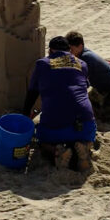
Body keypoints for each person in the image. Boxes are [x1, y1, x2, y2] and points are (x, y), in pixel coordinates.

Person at [22, 36, 97, 172]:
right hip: (86, 126)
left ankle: (56, 151)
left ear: (50, 51)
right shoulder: (82, 64)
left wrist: (25, 114)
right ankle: (85, 146)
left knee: (42, 141)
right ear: (69, 50)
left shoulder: (42, 64)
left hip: (55, 126)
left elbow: (32, 92)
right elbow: (82, 89)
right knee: (81, 132)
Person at [65, 31, 110, 125]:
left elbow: (82, 83)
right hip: (100, 88)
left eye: (71, 49)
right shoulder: (81, 55)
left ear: (80, 46)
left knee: (107, 117)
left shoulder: (86, 58)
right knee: (90, 110)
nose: (69, 52)